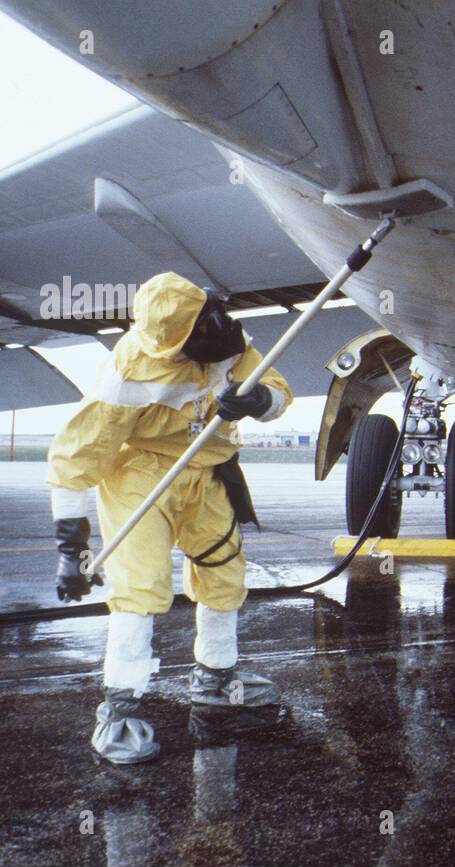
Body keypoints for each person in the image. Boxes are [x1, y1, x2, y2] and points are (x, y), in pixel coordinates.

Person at [47, 272, 293, 764]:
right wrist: (71, 550)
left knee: (224, 572)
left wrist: (259, 400)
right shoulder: (127, 368)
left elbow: (279, 390)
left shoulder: (229, 340)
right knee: (141, 587)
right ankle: (118, 708)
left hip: (207, 469)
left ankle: (217, 677)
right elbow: (76, 456)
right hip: (139, 475)